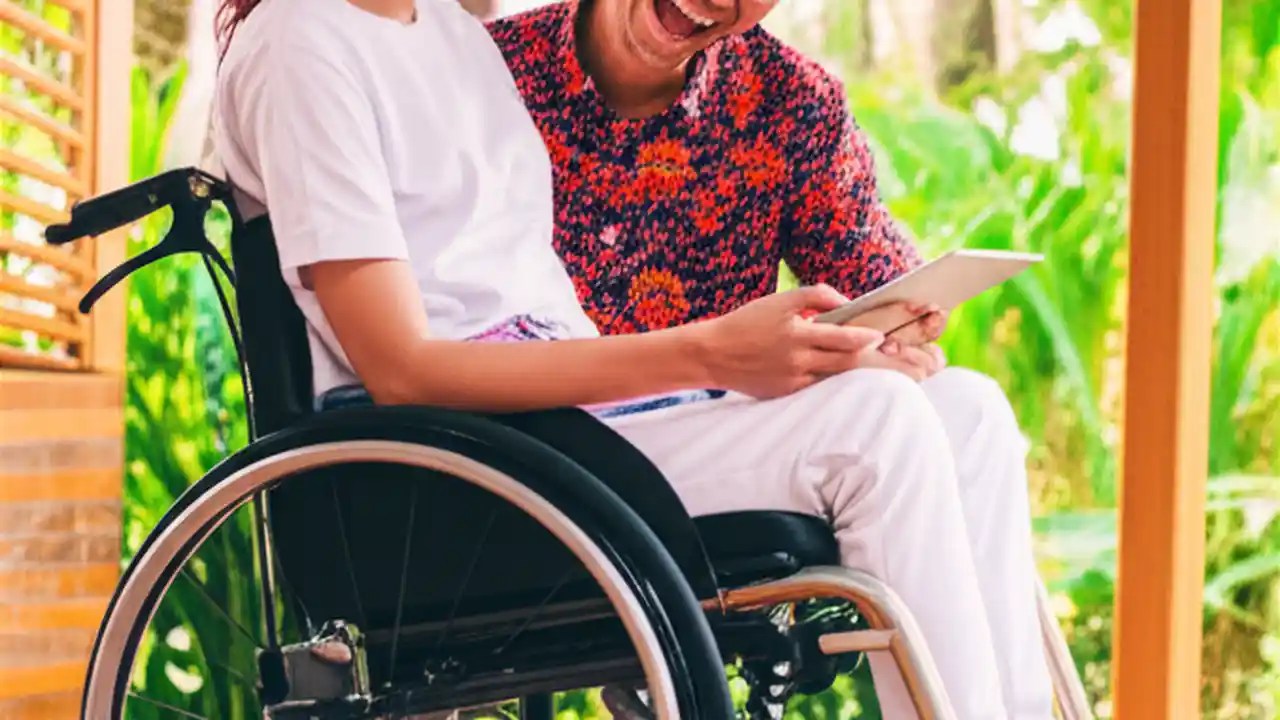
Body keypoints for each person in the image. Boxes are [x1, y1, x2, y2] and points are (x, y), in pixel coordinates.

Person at [210, 0, 1049, 718]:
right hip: (462, 461)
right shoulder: (301, 42)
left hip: (567, 433)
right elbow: (400, 368)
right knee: (878, 425)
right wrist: (712, 355)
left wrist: (843, 346)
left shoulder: (452, 37)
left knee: (968, 412)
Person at [487, 0, 1056, 717]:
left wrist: (886, 334)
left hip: (706, 431)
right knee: (878, 421)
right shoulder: (487, 74)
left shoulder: (789, 100)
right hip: (545, 439)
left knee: (971, 411)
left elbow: (872, 281)